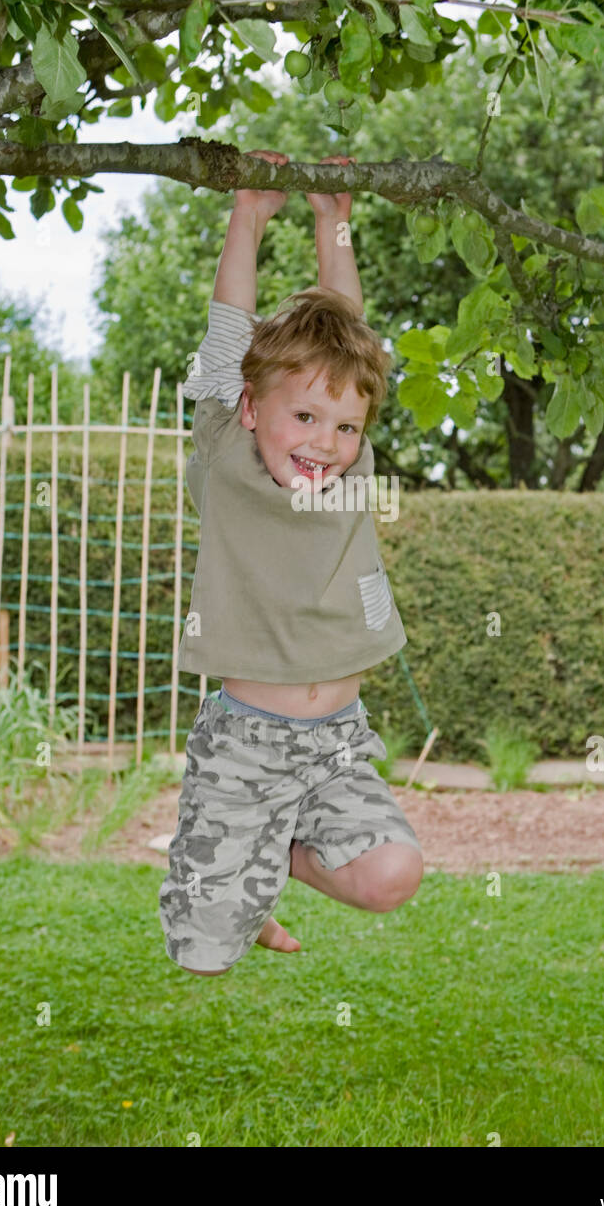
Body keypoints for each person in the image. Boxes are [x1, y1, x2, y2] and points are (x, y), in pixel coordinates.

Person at [159, 150, 423, 976]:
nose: (325, 442)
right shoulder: (225, 461)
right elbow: (228, 333)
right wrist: (249, 215)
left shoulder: (352, 469)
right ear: (248, 409)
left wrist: (331, 218)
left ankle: (267, 859)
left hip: (338, 741)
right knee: (203, 954)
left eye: (344, 427)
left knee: (392, 875)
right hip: (246, 746)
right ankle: (235, 874)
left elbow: (350, 340)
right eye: (302, 416)